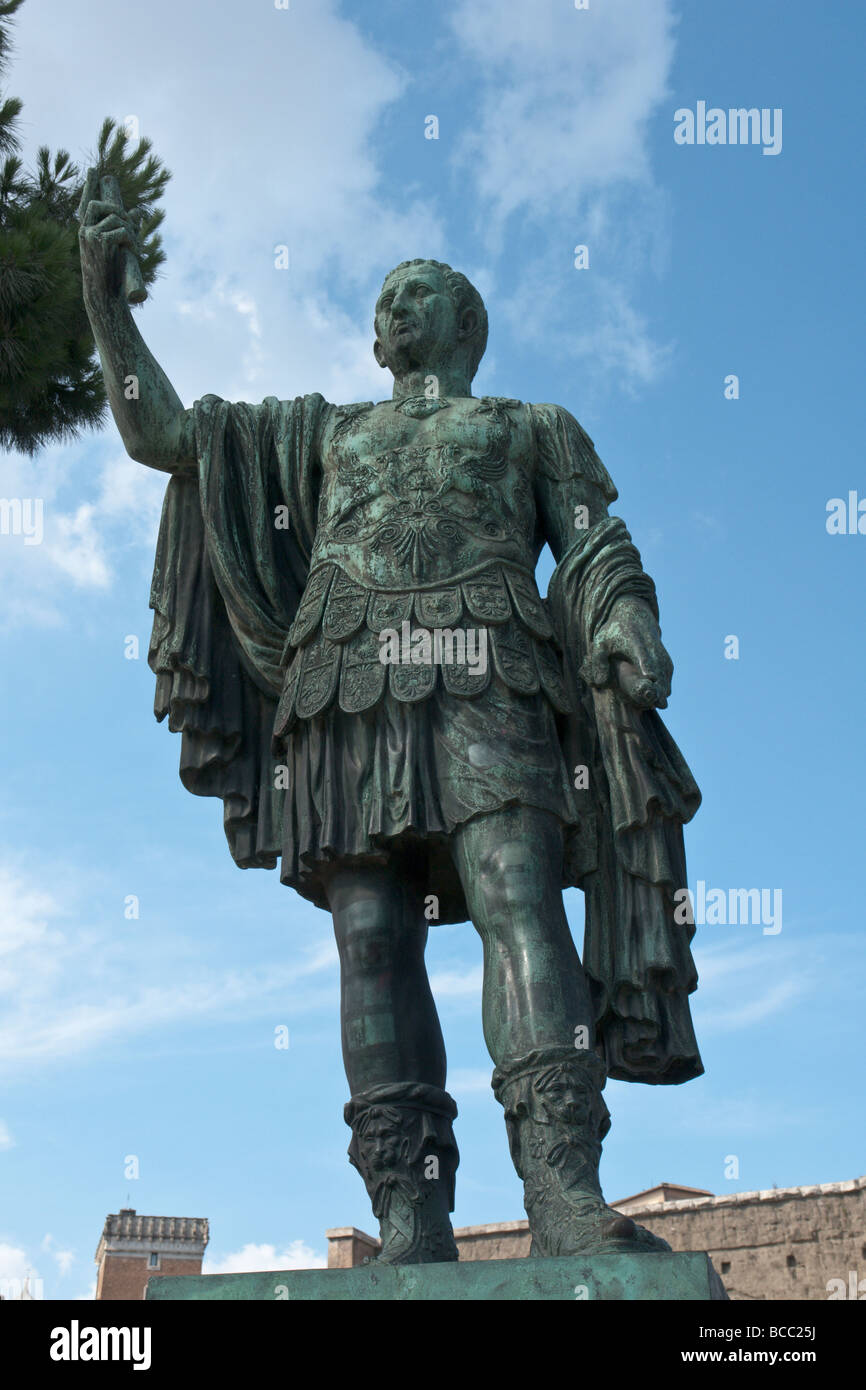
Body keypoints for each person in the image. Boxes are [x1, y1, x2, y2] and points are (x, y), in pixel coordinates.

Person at [80, 179, 702, 1265]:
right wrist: (105, 306)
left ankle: (559, 1190)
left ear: (465, 323)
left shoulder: (527, 426)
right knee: (370, 936)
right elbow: (167, 436)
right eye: (381, 299)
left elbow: (599, 544)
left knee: (517, 893)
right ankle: (407, 1213)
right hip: (342, 680)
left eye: (414, 292)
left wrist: (621, 625)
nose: (391, 308)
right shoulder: (319, 434)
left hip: (488, 664)